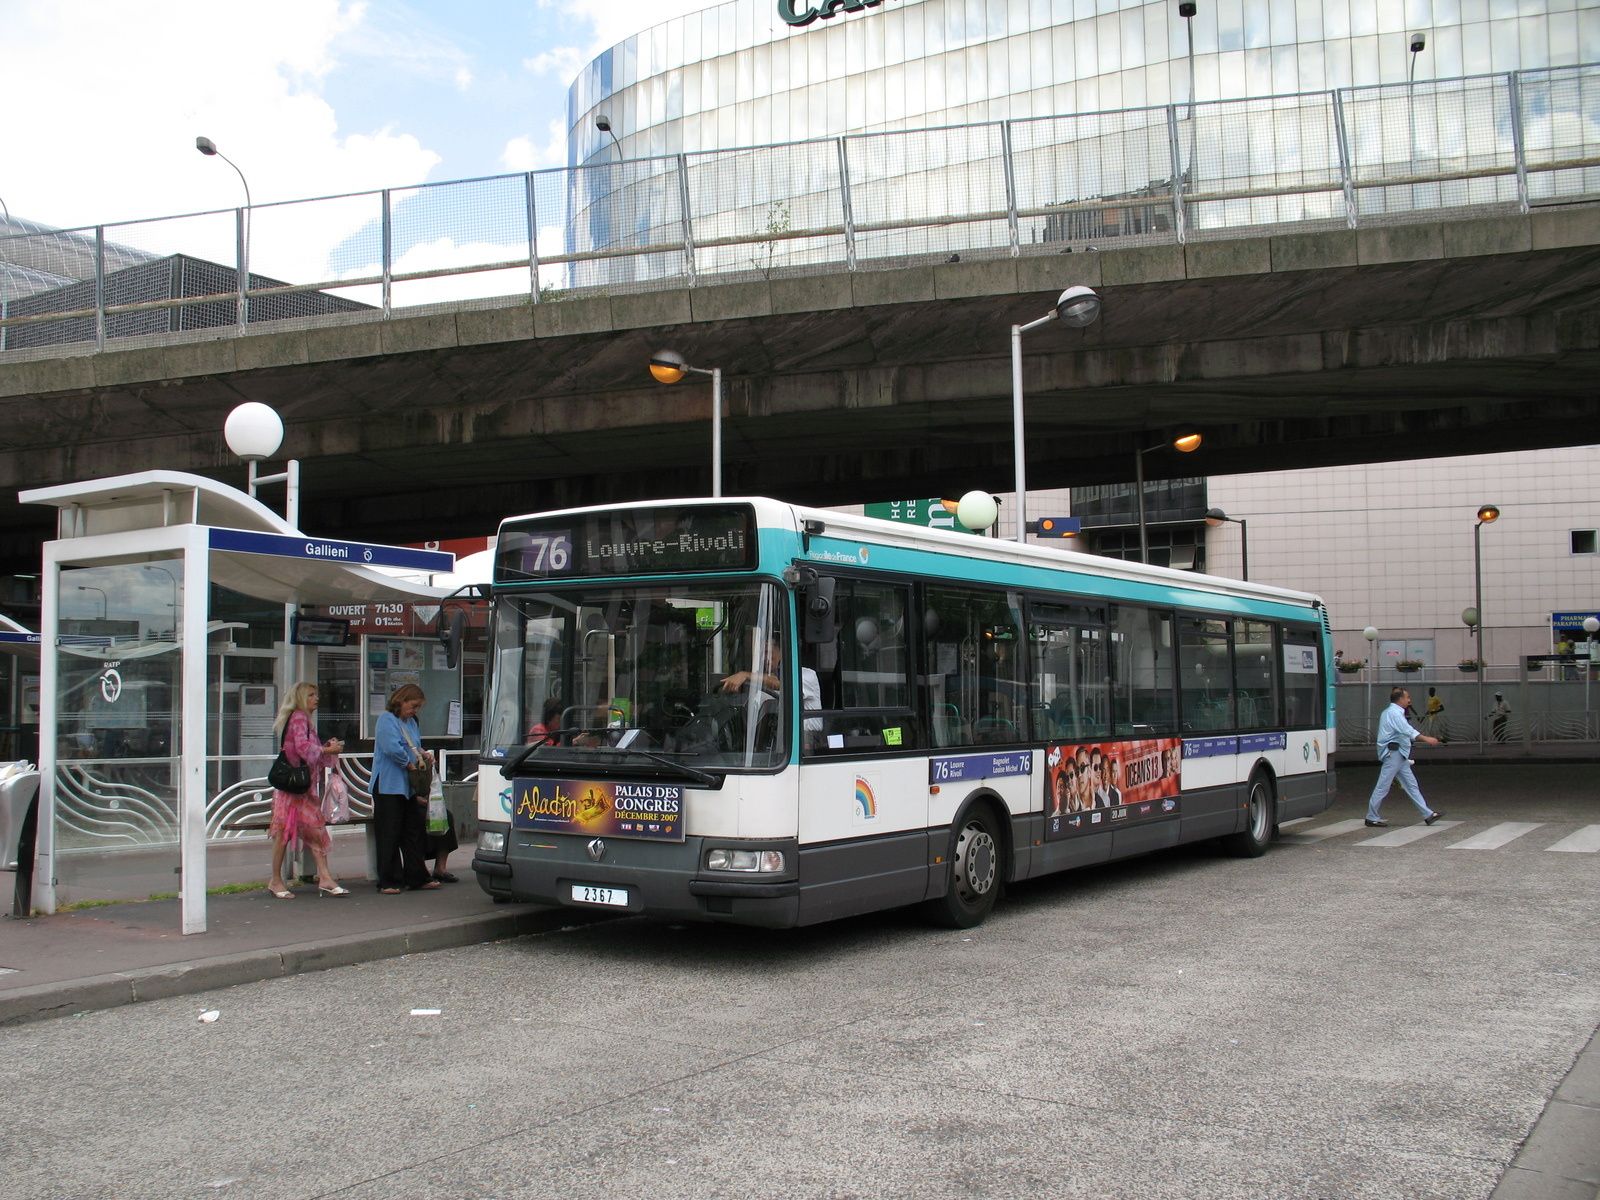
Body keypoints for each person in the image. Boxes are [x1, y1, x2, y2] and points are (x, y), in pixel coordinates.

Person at [265, 682, 349, 899]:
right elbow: (303, 748)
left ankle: (325, 876)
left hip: (301, 788)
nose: (316, 698)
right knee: (287, 831)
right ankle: (276, 879)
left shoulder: (304, 720)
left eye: (317, 694)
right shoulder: (300, 717)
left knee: (314, 828)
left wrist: (326, 749)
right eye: (311, 695)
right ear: (301, 698)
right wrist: (326, 749)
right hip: (293, 790)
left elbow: (310, 751)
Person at [371, 683, 441, 894]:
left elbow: (414, 745)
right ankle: (388, 879)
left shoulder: (411, 722)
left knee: (412, 831)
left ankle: (416, 876)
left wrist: (424, 754)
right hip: (388, 784)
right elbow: (392, 747)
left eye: (418, 707)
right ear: (400, 701)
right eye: (413, 706)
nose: (415, 711)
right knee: (389, 833)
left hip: (405, 786)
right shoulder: (386, 720)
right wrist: (409, 763)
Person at [1365, 686, 1442, 828]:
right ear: (1400, 699)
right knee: (1383, 786)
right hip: (1393, 754)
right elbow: (1406, 730)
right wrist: (1426, 739)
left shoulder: (1390, 712)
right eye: (1407, 697)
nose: (1409, 700)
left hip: (1398, 755)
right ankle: (1371, 816)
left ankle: (1428, 814)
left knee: (1411, 785)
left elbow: (1403, 731)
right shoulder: (1394, 713)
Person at [720, 631, 822, 733]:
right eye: (760, 654)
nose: (764, 658)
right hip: (774, 739)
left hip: (807, 739)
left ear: (782, 651)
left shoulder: (806, 675)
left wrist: (745, 675)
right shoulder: (764, 681)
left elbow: (780, 685)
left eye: (766, 652)